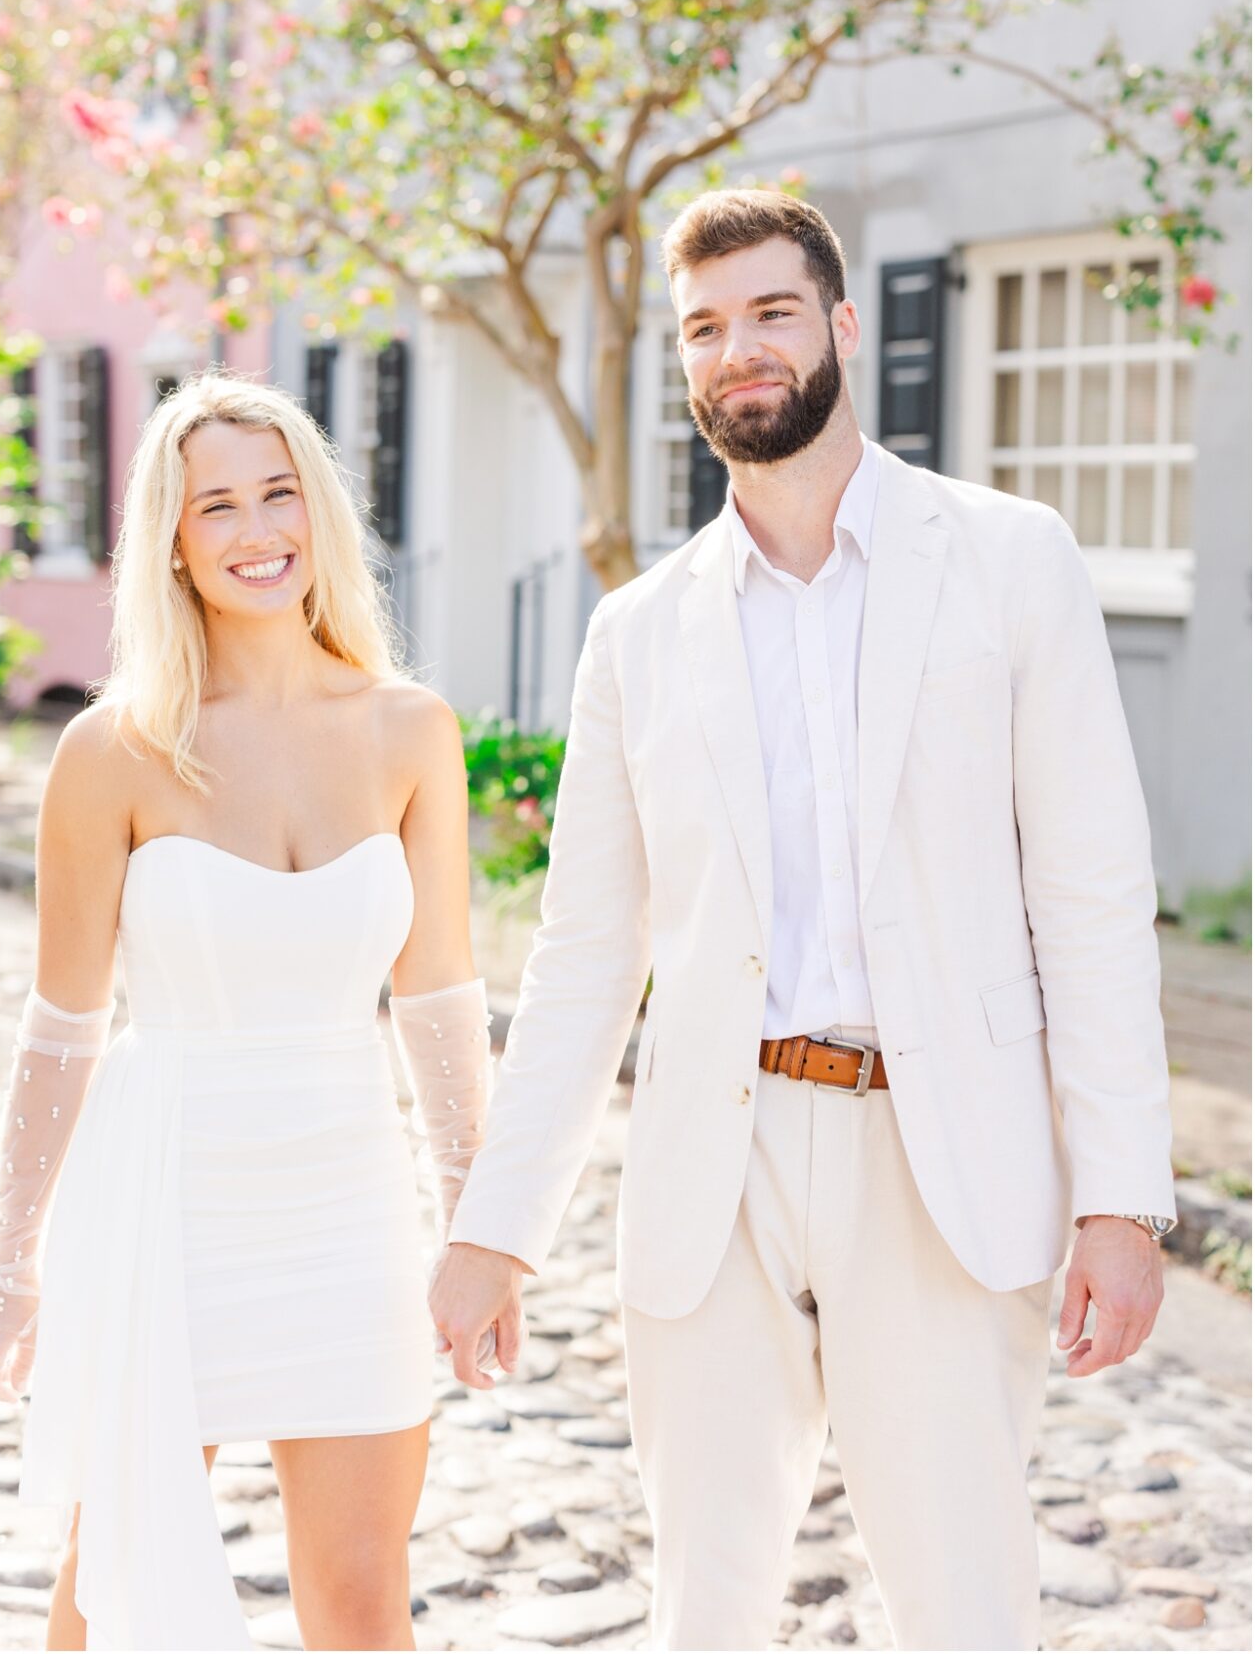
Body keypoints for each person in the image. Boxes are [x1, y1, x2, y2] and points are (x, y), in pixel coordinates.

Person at [431, 188, 1177, 1651]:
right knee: (702, 1601)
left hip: (941, 1148)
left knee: (961, 1599)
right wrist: (495, 1230)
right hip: (721, 1152)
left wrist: (1116, 1197)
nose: (736, 351)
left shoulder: (1007, 558)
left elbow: (1086, 893)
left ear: (839, 326)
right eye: (702, 328)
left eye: (768, 312)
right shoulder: (636, 632)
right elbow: (586, 958)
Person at [0, 371, 492, 1652]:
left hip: (346, 1194)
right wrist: (7, 1254)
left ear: (320, 512)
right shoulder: (113, 750)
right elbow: (63, 1026)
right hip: (168, 1190)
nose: (259, 531)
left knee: (362, 1599)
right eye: (218, 507)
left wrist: (483, 1224)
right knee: (114, 1578)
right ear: (175, 542)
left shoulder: (411, 730)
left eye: (279, 493)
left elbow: (439, 997)